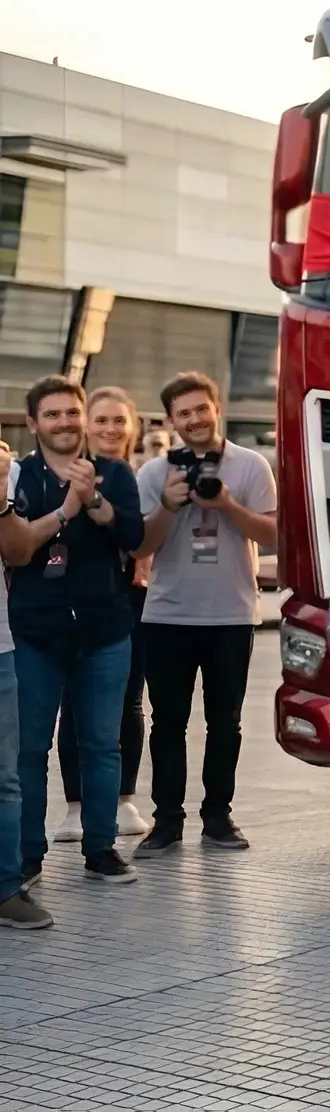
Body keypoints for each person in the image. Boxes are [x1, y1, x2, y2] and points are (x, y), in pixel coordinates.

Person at [0, 376, 146, 890]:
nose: (64, 422)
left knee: (102, 746)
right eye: (53, 414)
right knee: (28, 750)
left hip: (105, 631)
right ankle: (28, 856)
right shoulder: (18, 478)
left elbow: (135, 536)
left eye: (71, 412)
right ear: (34, 422)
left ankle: (101, 849)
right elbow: (14, 550)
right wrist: (63, 509)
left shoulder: (113, 472)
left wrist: (95, 504)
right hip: (35, 633)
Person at [131, 372, 277, 856]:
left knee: (226, 723)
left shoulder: (252, 466)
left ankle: (218, 818)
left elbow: (275, 537)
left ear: (217, 409)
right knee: (167, 723)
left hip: (231, 615)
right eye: (183, 413)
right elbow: (140, 547)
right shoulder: (154, 473)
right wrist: (170, 506)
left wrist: (227, 503)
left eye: (201, 409)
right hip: (168, 615)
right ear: (171, 421)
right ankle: (167, 822)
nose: (194, 419)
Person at [53, 387, 152, 842]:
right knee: (73, 706)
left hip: (129, 601)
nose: (110, 429)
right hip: (75, 603)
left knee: (129, 702)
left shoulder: (130, 475)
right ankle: (76, 806)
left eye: (119, 421)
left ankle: (122, 799)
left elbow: (137, 537)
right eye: (101, 420)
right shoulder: (69, 473)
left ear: (133, 426)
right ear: (85, 425)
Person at [0, 440, 54, 929]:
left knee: (5, 777)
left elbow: (18, 552)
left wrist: (0, 497)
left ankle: (6, 888)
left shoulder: (10, 473)